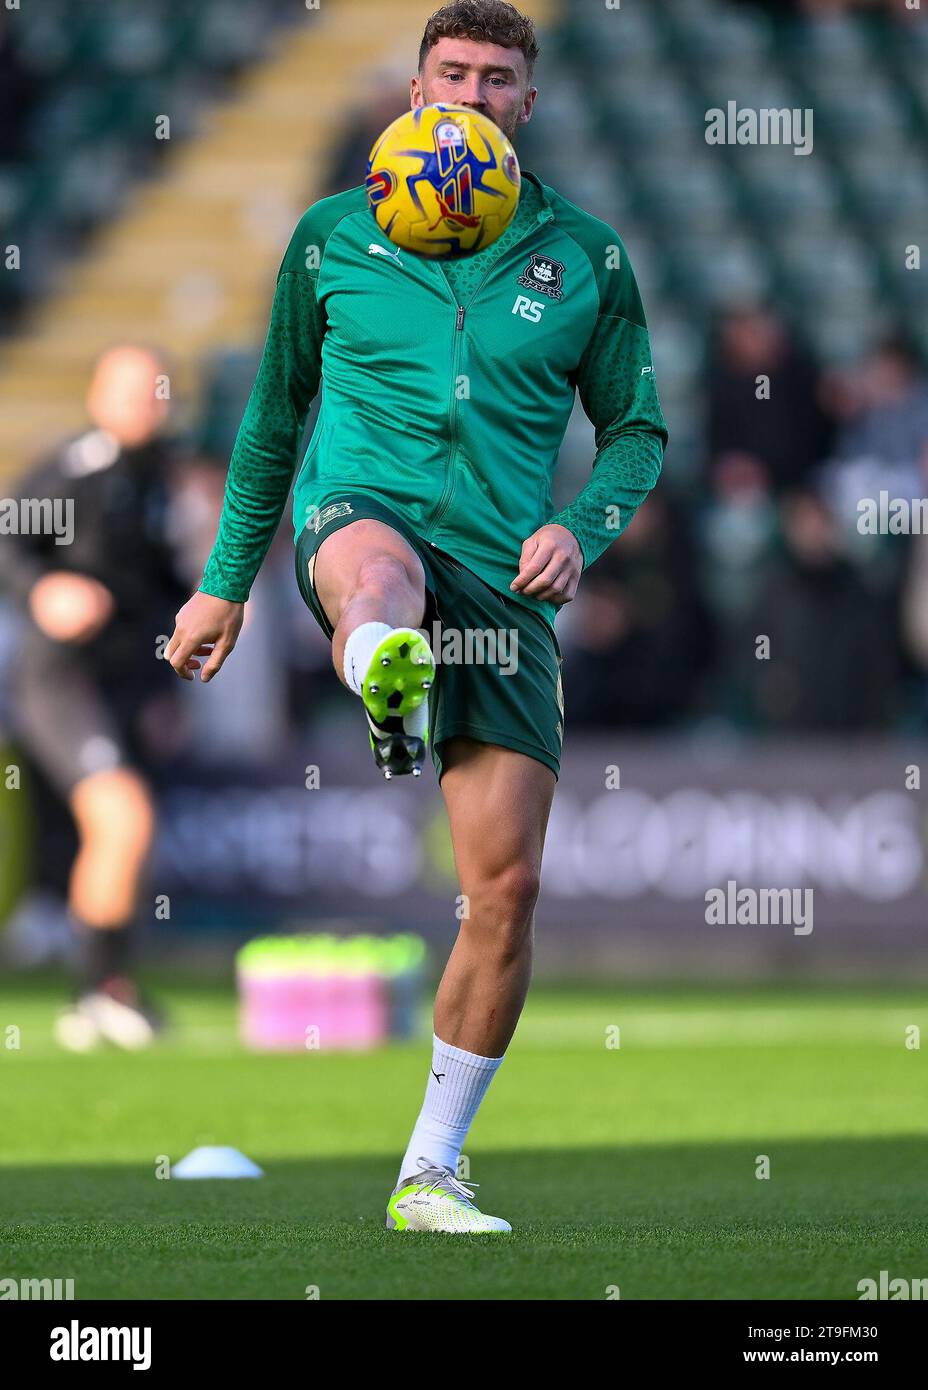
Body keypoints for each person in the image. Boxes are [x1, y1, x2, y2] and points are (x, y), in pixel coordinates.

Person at [166, 0, 666, 1232]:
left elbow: (638, 431)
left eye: (500, 78)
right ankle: (385, 660)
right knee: (376, 575)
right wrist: (225, 582)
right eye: (453, 72)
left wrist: (581, 529)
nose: (474, 94)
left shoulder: (584, 255)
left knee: (504, 891)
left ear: (527, 104)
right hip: (364, 511)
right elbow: (276, 419)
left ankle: (428, 1170)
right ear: (413, 89)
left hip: (508, 576)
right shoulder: (330, 238)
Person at [0, 345, 188, 1049]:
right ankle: (96, 990)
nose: (147, 404)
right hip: (60, 676)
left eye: (155, 392)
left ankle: (107, 987)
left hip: (125, 682)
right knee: (123, 818)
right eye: (131, 391)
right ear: (99, 397)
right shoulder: (77, 467)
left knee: (126, 836)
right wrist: (44, 589)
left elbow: (155, 585)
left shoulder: (157, 477)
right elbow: (7, 537)